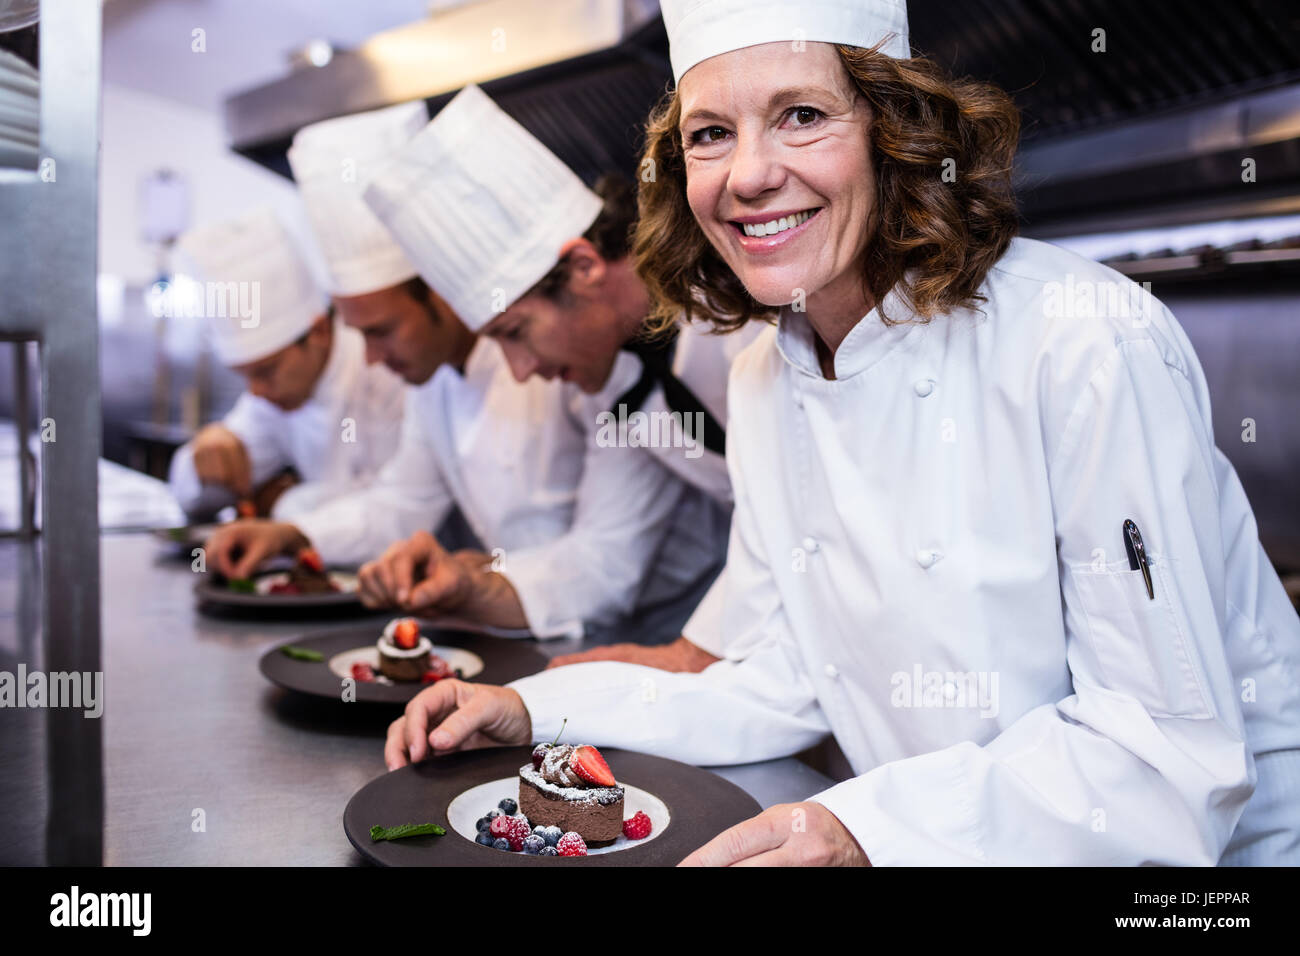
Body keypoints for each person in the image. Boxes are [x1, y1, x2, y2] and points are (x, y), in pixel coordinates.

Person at [383, 0, 1300, 866]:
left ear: (895, 134)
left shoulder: (1083, 339)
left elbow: (1166, 761)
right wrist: (530, 708)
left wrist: (866, 828)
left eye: (801, 116)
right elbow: (778, 677)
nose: (747, 174)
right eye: (710, 135)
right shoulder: (764, 376)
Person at [210, 97, 711, 640]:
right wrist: (295, 534)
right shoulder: (583, 365)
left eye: (381, 330)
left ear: (443, 298)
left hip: (673, 630)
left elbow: (609, 560)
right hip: (556, 633)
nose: (519, 369)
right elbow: (406, 503)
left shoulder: (649, 350)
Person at [363, 84, 757, 659]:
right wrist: (471, 585)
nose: (520, 372)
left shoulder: (745, 317)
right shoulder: (617, 382)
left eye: (516, 333)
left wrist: (694, 658)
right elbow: (603, 556)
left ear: (583, 266)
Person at [168, 207, 404, 521]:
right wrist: (205, 458)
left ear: (318, 332)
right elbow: (188, 491)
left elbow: (394, 509)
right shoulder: (270, 400)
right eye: (246, 377)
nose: (257, 392)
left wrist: (282, 504)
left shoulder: (387, 369)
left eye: (266, 371)